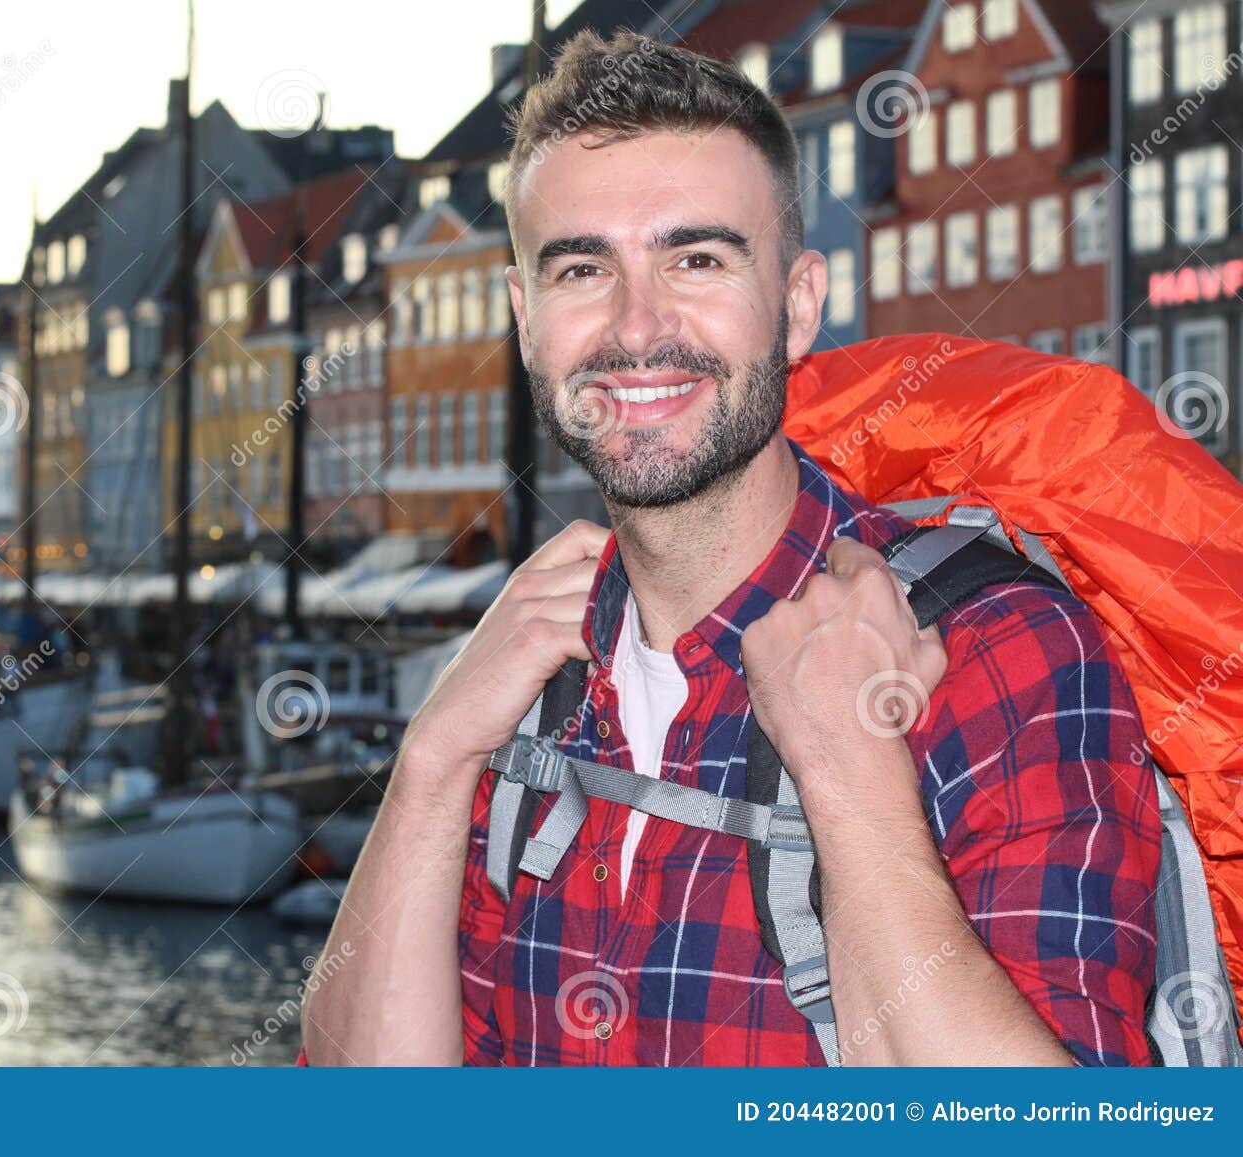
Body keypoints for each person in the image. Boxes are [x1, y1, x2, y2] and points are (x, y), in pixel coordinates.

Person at [302, 30, 1159, 1066]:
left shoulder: (995, 648)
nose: (636, 323)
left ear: (797, 304)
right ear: (527, 320)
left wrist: (849, 769)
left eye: (696, 257)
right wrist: (433, 756)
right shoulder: (523, 690)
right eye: (582, 267)